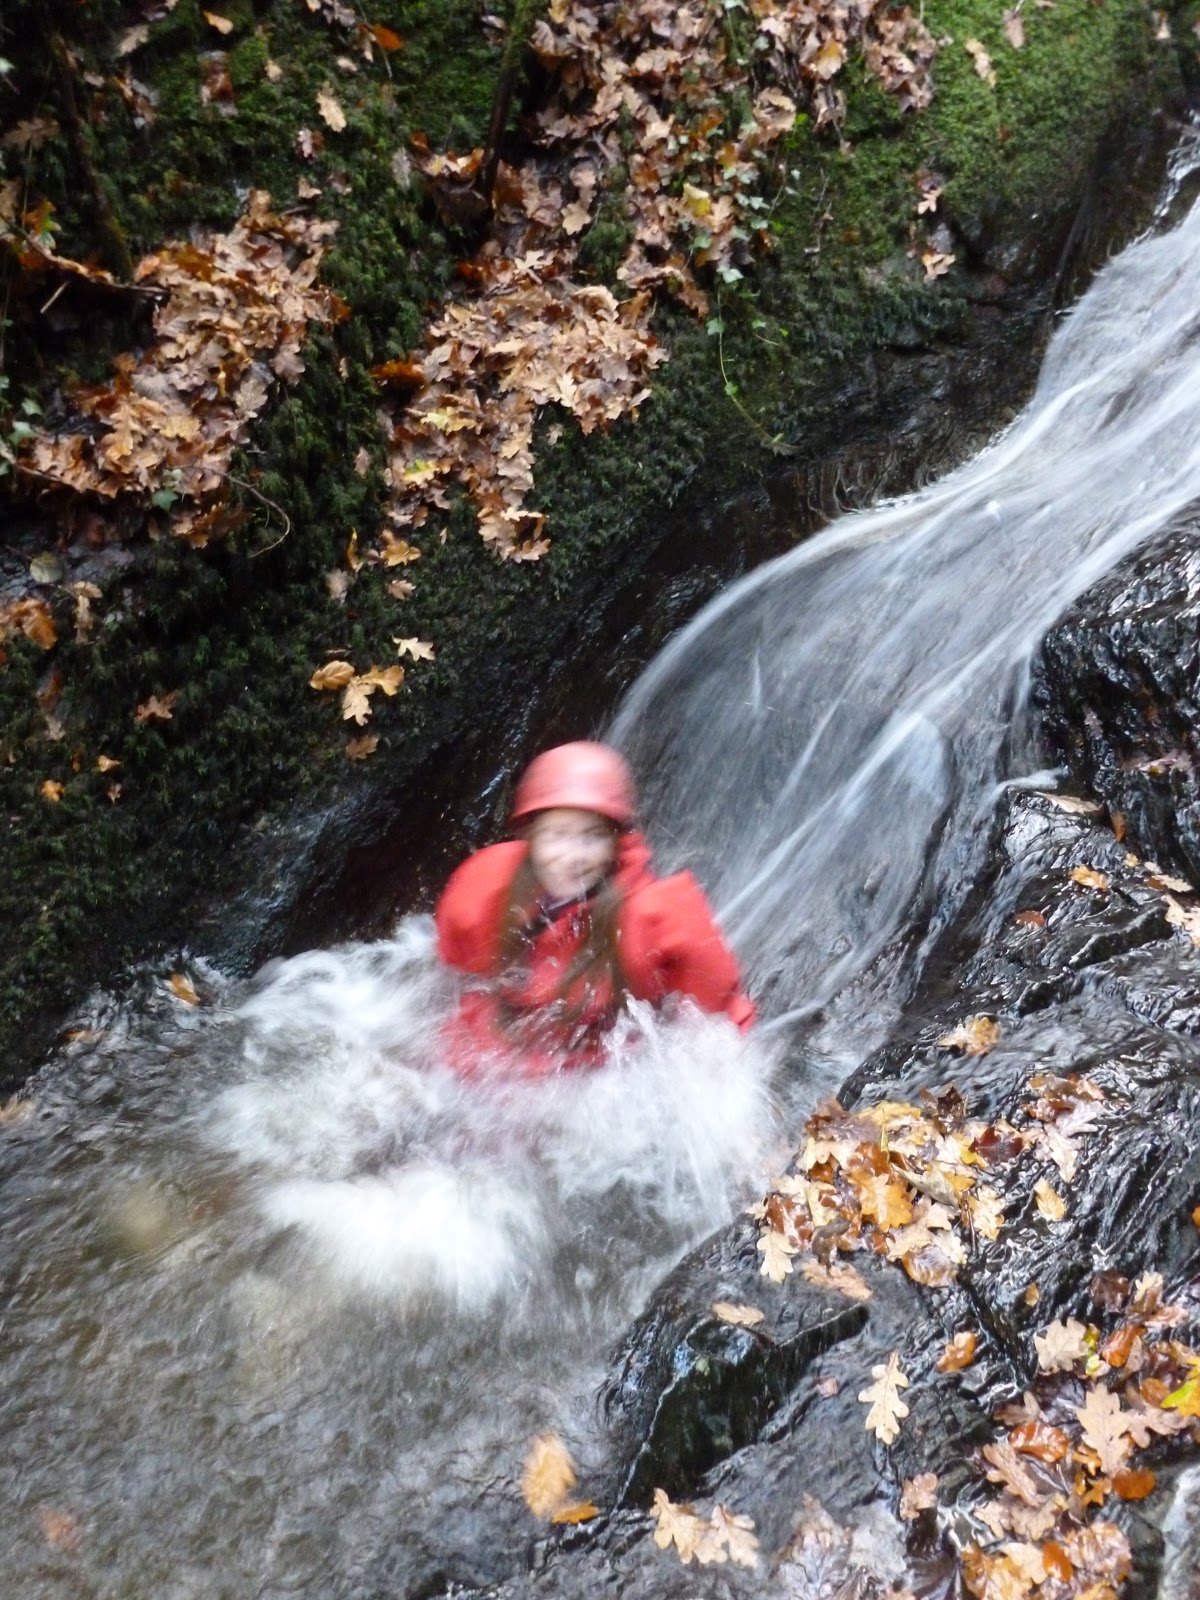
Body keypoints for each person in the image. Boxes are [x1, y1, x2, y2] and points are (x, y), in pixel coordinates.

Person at [435, 741, 754, 1078]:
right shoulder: (487, 884)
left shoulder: (659, 919)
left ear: (616, 842)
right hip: (488, 1055)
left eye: (591, 837)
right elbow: (451, 970)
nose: (572, 857)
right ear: (532, 836)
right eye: (557, 835)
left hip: (591, 1074)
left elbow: (725, 1022)